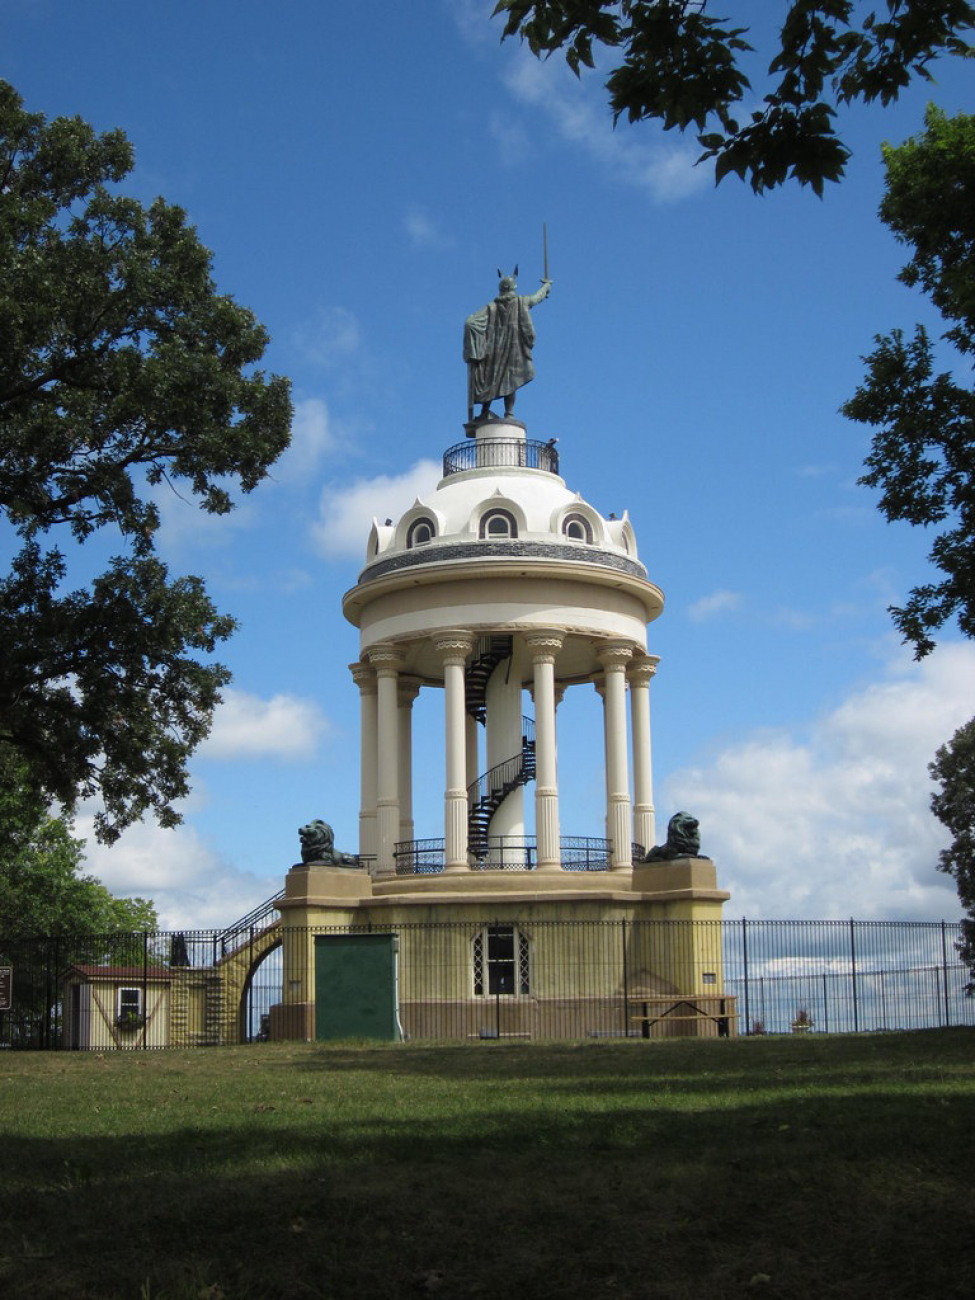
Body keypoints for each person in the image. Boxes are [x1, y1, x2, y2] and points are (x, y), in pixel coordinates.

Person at [464, 270, 552, 420]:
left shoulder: (491, 307)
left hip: (493, 350)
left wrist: (474, 345)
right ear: (513, 288)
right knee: (511, 380)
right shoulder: (521, 301)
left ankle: (486, 412)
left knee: (491, 379)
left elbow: (471, 321)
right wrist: (546, 286)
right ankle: (508, 413)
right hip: (513, 349)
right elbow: (537, 298)